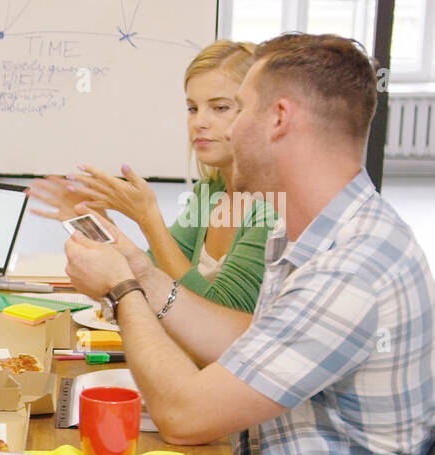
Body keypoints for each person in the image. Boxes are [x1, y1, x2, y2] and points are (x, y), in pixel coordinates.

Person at [62, 33, 434, 455]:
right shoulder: (318, 231)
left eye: (239, 108)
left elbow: (183, 414)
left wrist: (125, 289)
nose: (222, 132)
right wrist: (140, 266)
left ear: (279, 118)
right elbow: (241, 342)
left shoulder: (351, 270)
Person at [28, 40, 273, 314]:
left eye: (220, 108)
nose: (199, 122)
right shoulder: (210, 191)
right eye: (192, 108)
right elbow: (148, 276)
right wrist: (96, 224)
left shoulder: (273, 208)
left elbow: (220, 315)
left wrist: (148, 217)